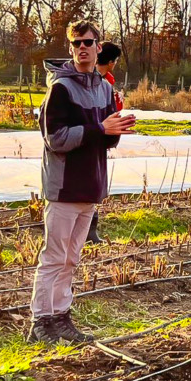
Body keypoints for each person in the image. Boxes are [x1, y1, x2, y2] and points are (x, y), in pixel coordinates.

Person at [32, 20, 135, 342]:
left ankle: (61, 317)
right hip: (64, 186)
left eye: (88, 42)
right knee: (54, 256)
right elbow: (56, 138)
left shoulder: (104, 89)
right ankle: (40, 322)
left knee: (72, 257)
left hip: (91, 184)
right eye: (77, 43)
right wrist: (99, 129)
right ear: (70, 47)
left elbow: (104, 140)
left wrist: (115, 130)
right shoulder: (60, 89)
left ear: (98, 47)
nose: (82, 48)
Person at [84, 41, 125, 246]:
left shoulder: (107, 83)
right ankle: (85, 231)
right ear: (110, 62)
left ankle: (89, 230)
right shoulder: (90, 81)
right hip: (90, 137)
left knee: (94, 182)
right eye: (115, 61)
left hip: (100, 139)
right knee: (87, 182)